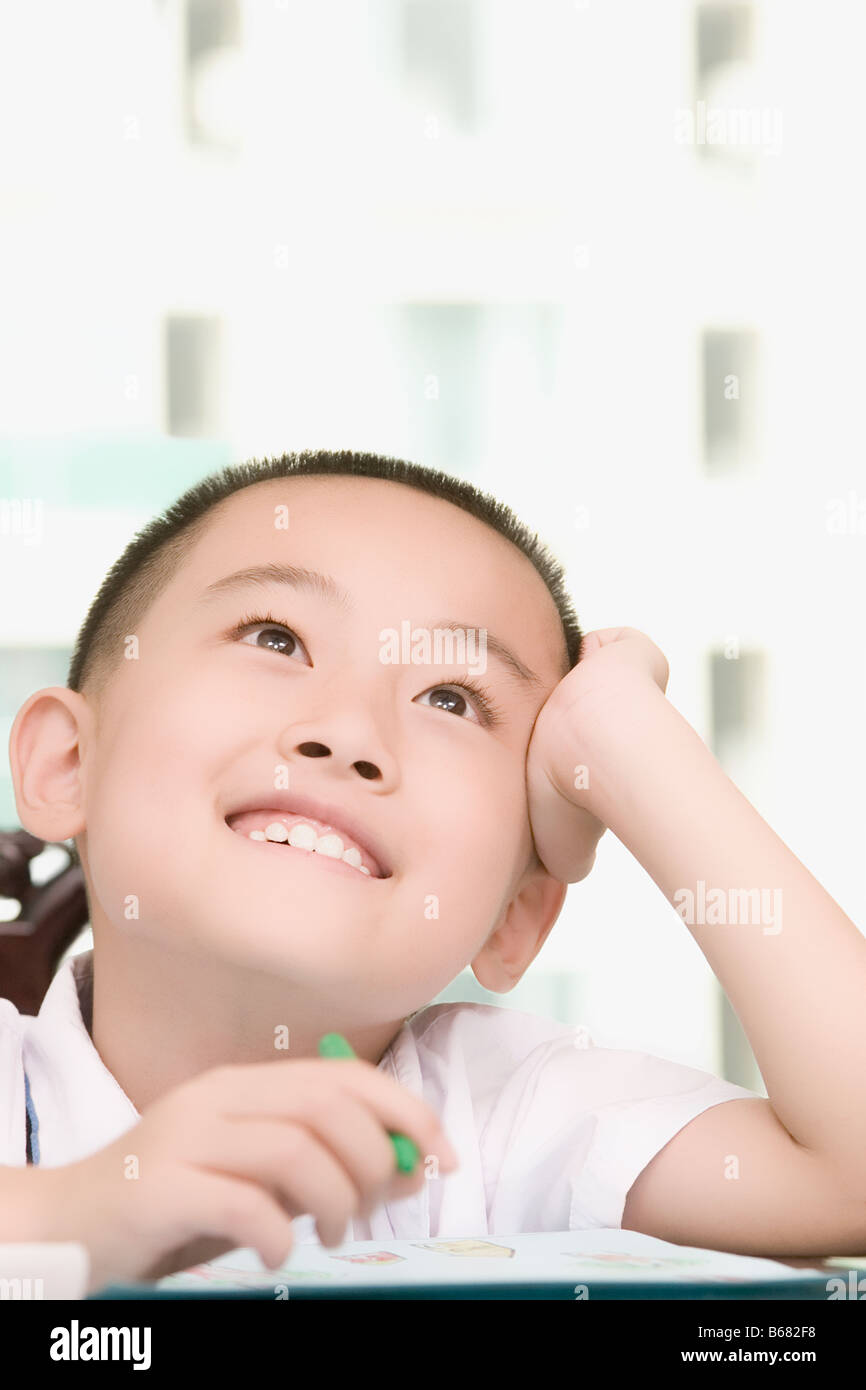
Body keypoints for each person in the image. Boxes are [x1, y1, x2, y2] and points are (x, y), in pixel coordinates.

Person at [2, 450, 863, 1296]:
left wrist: (631, 742)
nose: (347, 731)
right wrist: (75, 1211)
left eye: (451, 698)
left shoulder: (504, 1121)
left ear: (516, 918)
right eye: (277, 637)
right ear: (70, 765)